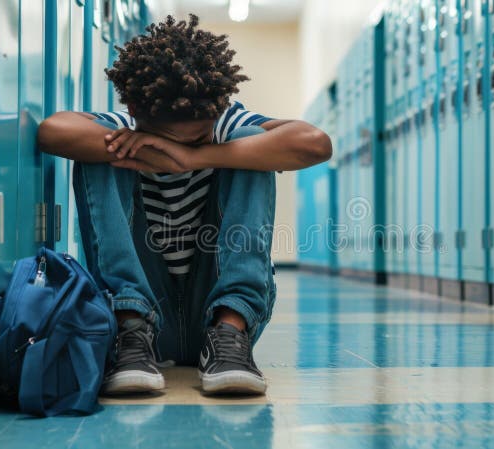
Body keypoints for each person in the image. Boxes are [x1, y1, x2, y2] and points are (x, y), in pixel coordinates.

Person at [37, 15, 331, 396]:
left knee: (252, 145)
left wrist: (194, 157)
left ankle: (230, 332)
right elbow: (52, 131)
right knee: (101, 148)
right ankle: (130, 330)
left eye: (197, 138)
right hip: (143, 316)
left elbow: (314, 142)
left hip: (215, 313)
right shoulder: (124, 126)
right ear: (138, 117)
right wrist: (135, 147)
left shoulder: (225, 124)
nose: (182, 148)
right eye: (162, 141)